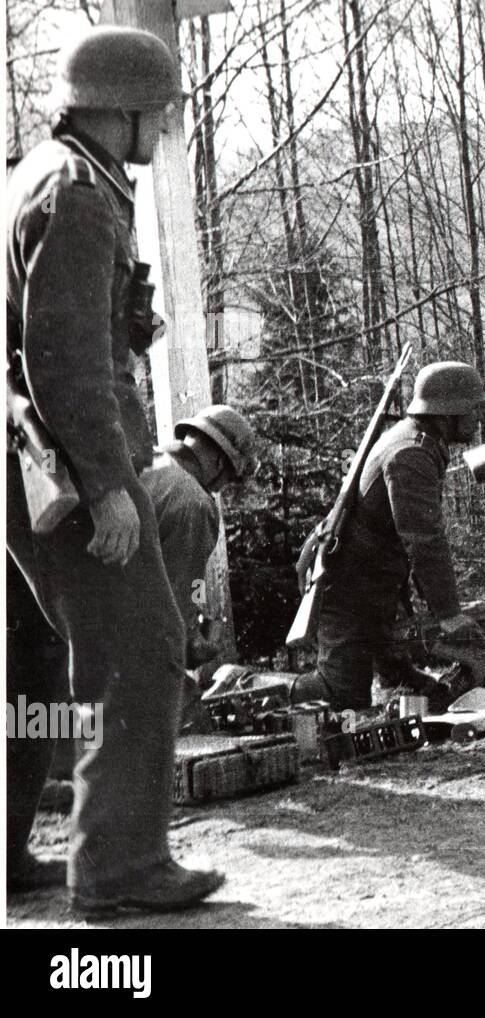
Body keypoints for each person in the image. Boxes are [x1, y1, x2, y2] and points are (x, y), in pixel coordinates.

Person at [5, 26, 223, 911]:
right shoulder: (82, 197)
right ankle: (121, 868)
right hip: (61, 466)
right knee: (141, 649)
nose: (163, 131)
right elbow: (67, 360)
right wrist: (106, 486)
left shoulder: (36, 174)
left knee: (26, 668)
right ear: (121, 109)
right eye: (158, 116)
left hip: (22, 461)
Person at [292, 362, 485, 710]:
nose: (478, 417)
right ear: (447, 414)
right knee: (341, 695)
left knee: (408, 685)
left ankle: (394, 670)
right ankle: (243, 682)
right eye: (473, 408)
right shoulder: (411, 453)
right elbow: (424, 538)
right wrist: (448, 613)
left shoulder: (418, 440)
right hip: (348, 585)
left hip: (373, 584)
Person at [143, 404, 257, 666]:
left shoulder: (147, 460)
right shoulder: (195, 502)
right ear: (219, 463)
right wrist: (193, 642)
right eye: (228, 479)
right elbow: (176, 599)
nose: (219, 490)